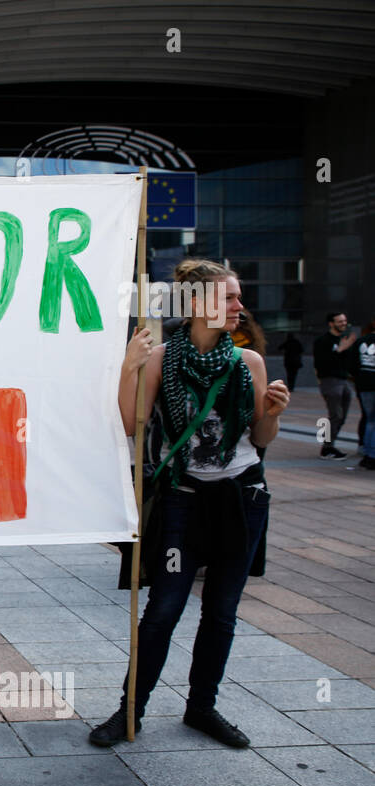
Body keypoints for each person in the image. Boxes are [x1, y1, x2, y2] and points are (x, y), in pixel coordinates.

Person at [93, 259, 289, 748]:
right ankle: (129, 712)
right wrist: (129, 368)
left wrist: (274, 414)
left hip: (242, 496)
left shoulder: (250, 364)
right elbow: (129, 425)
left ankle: (202, 708)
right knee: (163, 611)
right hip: (182, 501)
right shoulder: (161, 358)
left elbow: (260, 438)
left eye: (238, 297)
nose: (239, 307)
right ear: (196, 305)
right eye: (228, 298)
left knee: (222, 612)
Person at [313, 312, 358, 459]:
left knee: (341, 416)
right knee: (335, 415)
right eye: (339, 321)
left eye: (345, 321)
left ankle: (329, 444)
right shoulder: (323, 341)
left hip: (344, 381)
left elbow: (350, 362)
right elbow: (321, 363)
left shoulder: (345, 340)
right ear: (331, 324)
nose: (343, 324)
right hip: (330, 381)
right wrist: (340, 350)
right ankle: (327, 448)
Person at [352, 319, 375, 470]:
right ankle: (372, 455)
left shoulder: (360, 341)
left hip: (364, 386)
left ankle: (367, 452)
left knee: (370, 420)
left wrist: (359, 380)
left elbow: (352, 365)